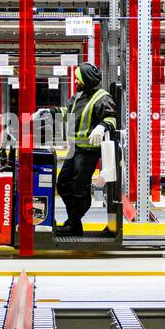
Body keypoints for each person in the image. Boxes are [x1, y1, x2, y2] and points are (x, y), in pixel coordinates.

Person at [55, 62, 117, 236]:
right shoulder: (79, 95)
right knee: (63, 183)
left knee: (79, 188)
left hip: (89, 151)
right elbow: (67, 110)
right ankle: (73, 221)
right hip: (74, 149)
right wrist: (50, 112)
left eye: (78, 78)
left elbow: (112, 119)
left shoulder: (102, 97)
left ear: (86, 79)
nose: (75, 81)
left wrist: (102, 126)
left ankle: (74, 224)